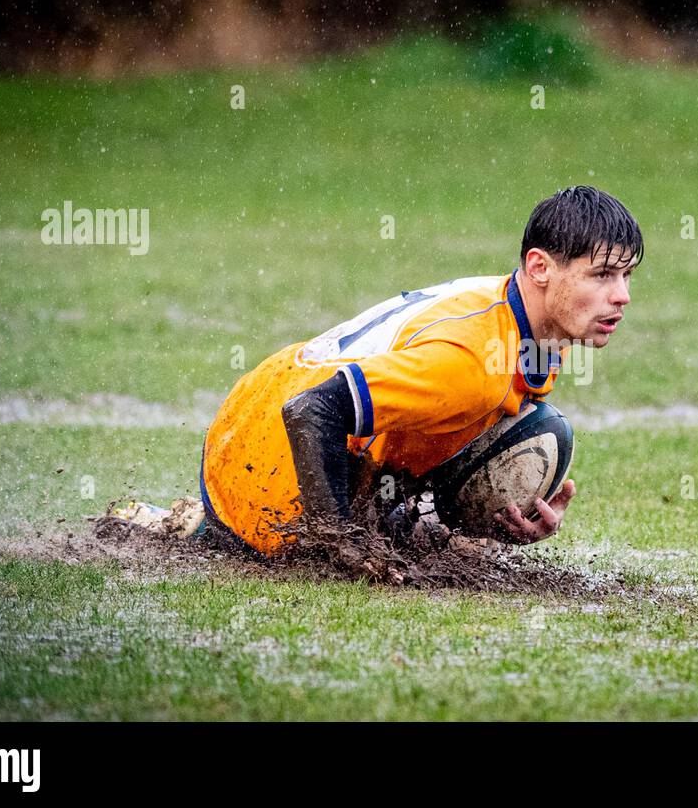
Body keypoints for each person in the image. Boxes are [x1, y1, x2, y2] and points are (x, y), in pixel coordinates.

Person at [194, 186, 642, 555]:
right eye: (602, 275)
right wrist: (338, 542)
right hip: (265, 455)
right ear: (539, 267)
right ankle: (220, 525)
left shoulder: (529, 320)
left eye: (627, 276)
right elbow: (311, 410)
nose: (621, 295)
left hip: (267, 404)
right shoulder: (472, 363)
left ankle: (192, 521)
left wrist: (494, 516)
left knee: (531, 434)